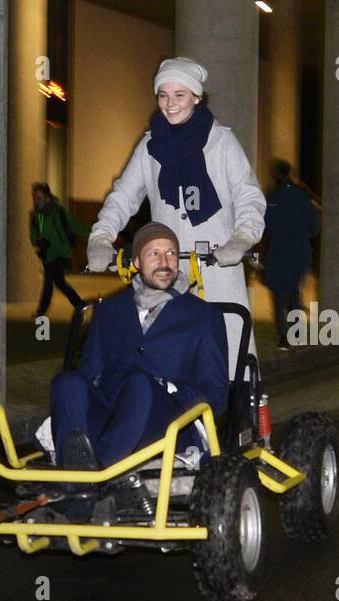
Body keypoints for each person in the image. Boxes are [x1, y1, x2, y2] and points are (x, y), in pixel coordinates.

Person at [86, 57, 265, 377]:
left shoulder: (221, 141)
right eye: (163, 95)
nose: (170, 104)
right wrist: (101, 237)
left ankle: (245, 414)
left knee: (230, 355)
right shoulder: (149, 146)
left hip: (216, 263)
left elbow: (248, 197)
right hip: (166, 265)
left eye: (179, 95)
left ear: (197, 97)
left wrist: (241, 238)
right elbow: (123, 196)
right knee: (165, 358)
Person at [50, 223, 227, 472]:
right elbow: (89, 376)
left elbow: (217, 395)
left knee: (139, 383)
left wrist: (167, 388)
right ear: (136, 262)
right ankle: (73, 466)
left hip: (165, 422)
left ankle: (96, 473)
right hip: (111, 416)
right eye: (154, 254)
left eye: (171, 253)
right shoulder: (110, 310)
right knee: (67, 383)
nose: (164, 262)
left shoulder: (204, 317)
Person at [263, 159, 320, 350]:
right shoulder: (303, 196)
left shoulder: (272, 198)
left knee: (279, 296)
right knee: (296, 293)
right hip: (300, 253)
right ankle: (297, 334)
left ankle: (283, 338)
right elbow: (314, 228)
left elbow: (265, 227)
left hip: (278, 253)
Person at [29, 182, 88, 320]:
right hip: (47, 255)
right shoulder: (35, 216)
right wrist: (38, 241)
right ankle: (79, 304)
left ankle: (41, 311)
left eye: (39, 197)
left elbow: (75, 225)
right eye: (34, 197)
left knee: (49, 281)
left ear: (47, 198)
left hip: (61, 254)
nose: (36, 201)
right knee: (59, 283)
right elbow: (33, 235)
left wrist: (93, 237)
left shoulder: (59, 212)